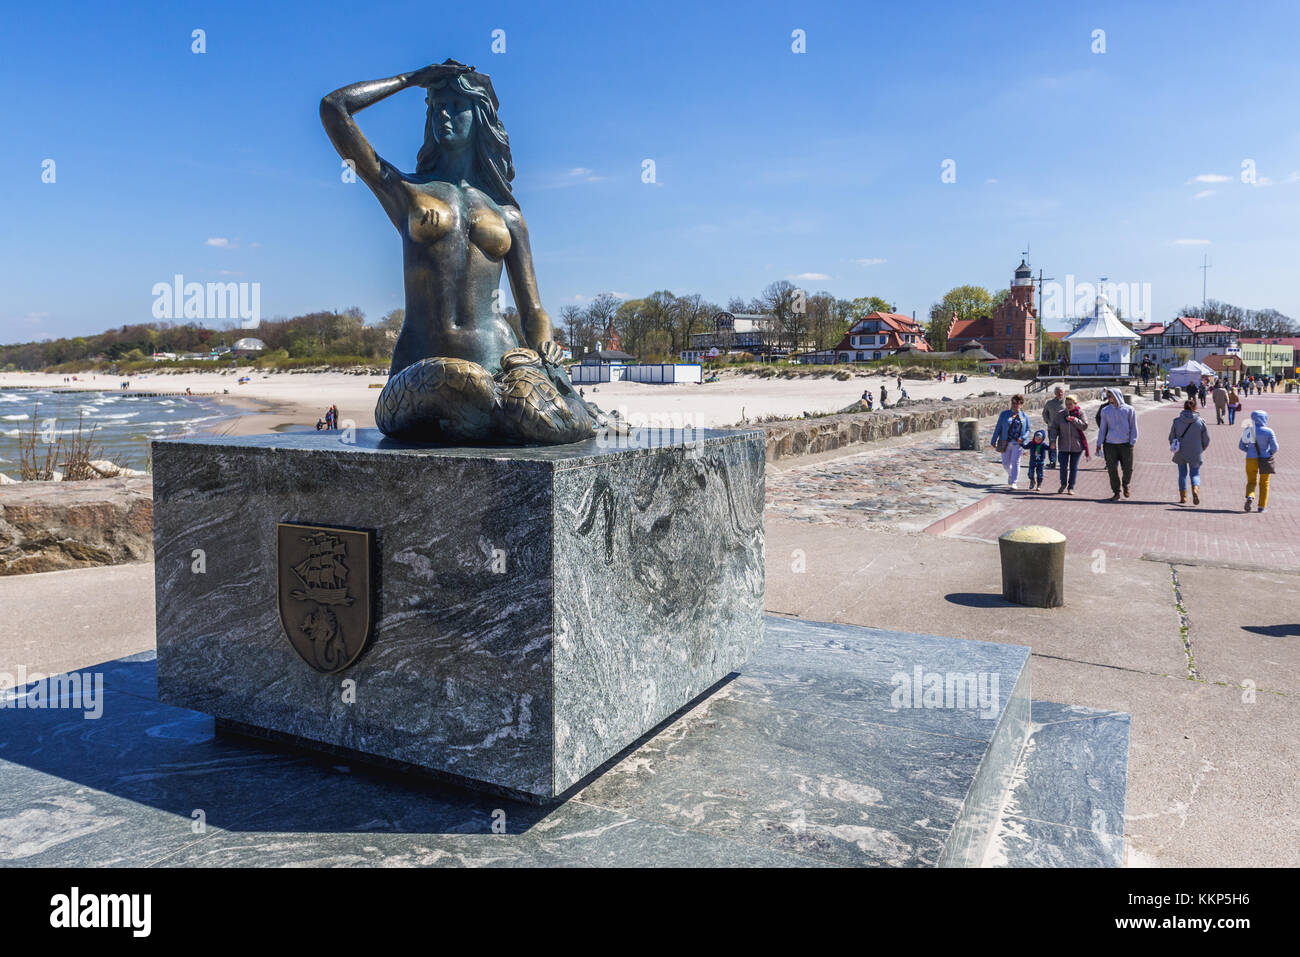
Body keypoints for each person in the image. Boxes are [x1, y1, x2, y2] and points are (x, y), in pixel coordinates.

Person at [1096, 387, 1139, 501]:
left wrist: (1132, 442)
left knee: (1128, 469)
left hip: (1126, 444)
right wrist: (1099, 442)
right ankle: (1116, 491)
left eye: (1110, 396)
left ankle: (1126, 484)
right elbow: (1103, 428)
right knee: (1112, 469)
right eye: (1108, 396)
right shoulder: (1105, 411)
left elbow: (1133, 427)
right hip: (1110, 444)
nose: (1108, 398)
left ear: (1117, 396)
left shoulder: (1129, 410)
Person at [1169, 399, 1210, 505]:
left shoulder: (1177, 421)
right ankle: (1195, 489)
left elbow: (1171, 437)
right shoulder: (1200, 421)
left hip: (1181, 451)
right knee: (1195, 473)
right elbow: (1206, 438)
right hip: (1195, 451)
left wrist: (1174, 446)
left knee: (1182, 474)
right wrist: (1202, 448)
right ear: (1195, 407)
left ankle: (1183, 497)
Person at [1239, 410, 1278, 513]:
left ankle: (1250, 496)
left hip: (1250, 459)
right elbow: (1275, 447)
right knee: (1264, 483)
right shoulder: (1269, 431)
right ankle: (1261, 507)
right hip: (1265, 459)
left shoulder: (1248, 429)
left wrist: (1250, 450)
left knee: (1251, 481)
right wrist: (1268, 452)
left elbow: (1241, 446)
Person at [1049, 393, 1088, 494]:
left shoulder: (1080, 413)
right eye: (1067, 404)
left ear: (1075, 404)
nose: (1068, 406)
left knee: (1073, 467)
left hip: (1077, 445)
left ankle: (1071, 487)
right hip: (1063, 445)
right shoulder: (1061, 414)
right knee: (1062, 466)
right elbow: (1054, 428)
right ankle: (1063, 484)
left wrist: (1074, 419)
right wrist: (1052, 441)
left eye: (1070, 404)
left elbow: (1084, 426)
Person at [991, 394, 1031, 489]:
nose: (1015, 405)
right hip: (1005, 441)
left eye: (1017, 403)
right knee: (1005, 464)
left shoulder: (1025, 416)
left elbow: (1028, 430)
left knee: (1016, 462)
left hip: (1018, 443)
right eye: (1013, 403)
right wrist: (993, 440)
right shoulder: (1004, 414)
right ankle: (1011, 474)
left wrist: (1023, 437)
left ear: (1021, 404)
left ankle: (1014, 482)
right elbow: (998, 427)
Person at [1042, 385, 1066, 468]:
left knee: (1062, 445)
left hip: (1063, 428)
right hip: (1052, 427)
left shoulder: (1067, 403)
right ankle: (1052, 462)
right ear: (1055, 393)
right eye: (1058, 392)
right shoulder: (1049, 403)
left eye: (1061, 392)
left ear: (1063, 393)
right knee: (1052, 444)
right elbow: (1044, 413)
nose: (1059, 393)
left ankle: (1062, 461)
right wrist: (1047, 421)